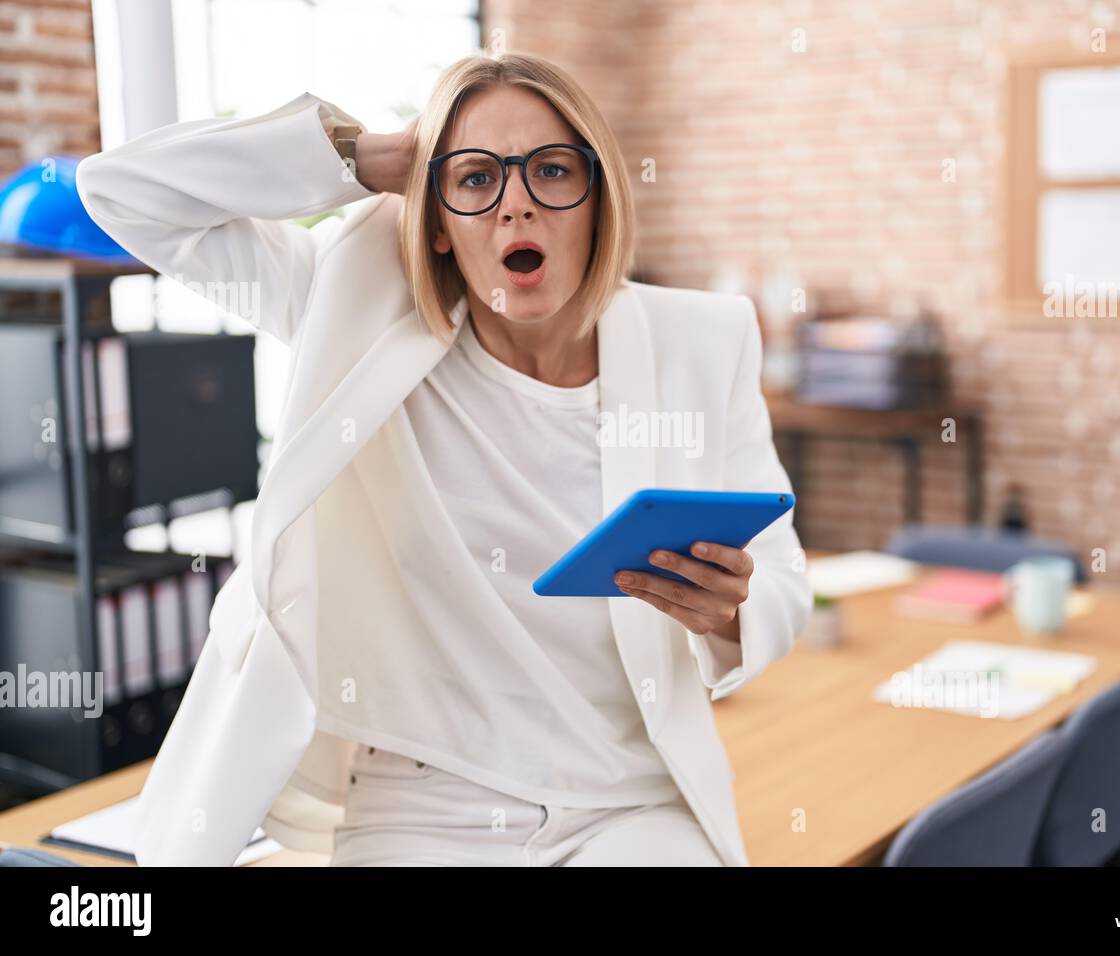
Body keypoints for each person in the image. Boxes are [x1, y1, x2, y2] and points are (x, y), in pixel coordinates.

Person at [76, 50, 812, 867]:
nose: (516, 204)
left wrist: (730, 611)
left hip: (628, 801)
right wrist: (366, 157)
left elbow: (783, 578)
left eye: (552, 170)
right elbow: (121, 192)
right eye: (475, 178)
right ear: (434, 219)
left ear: (597, 198)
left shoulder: (704, 341)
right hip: (421, 807)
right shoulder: (348, 315)